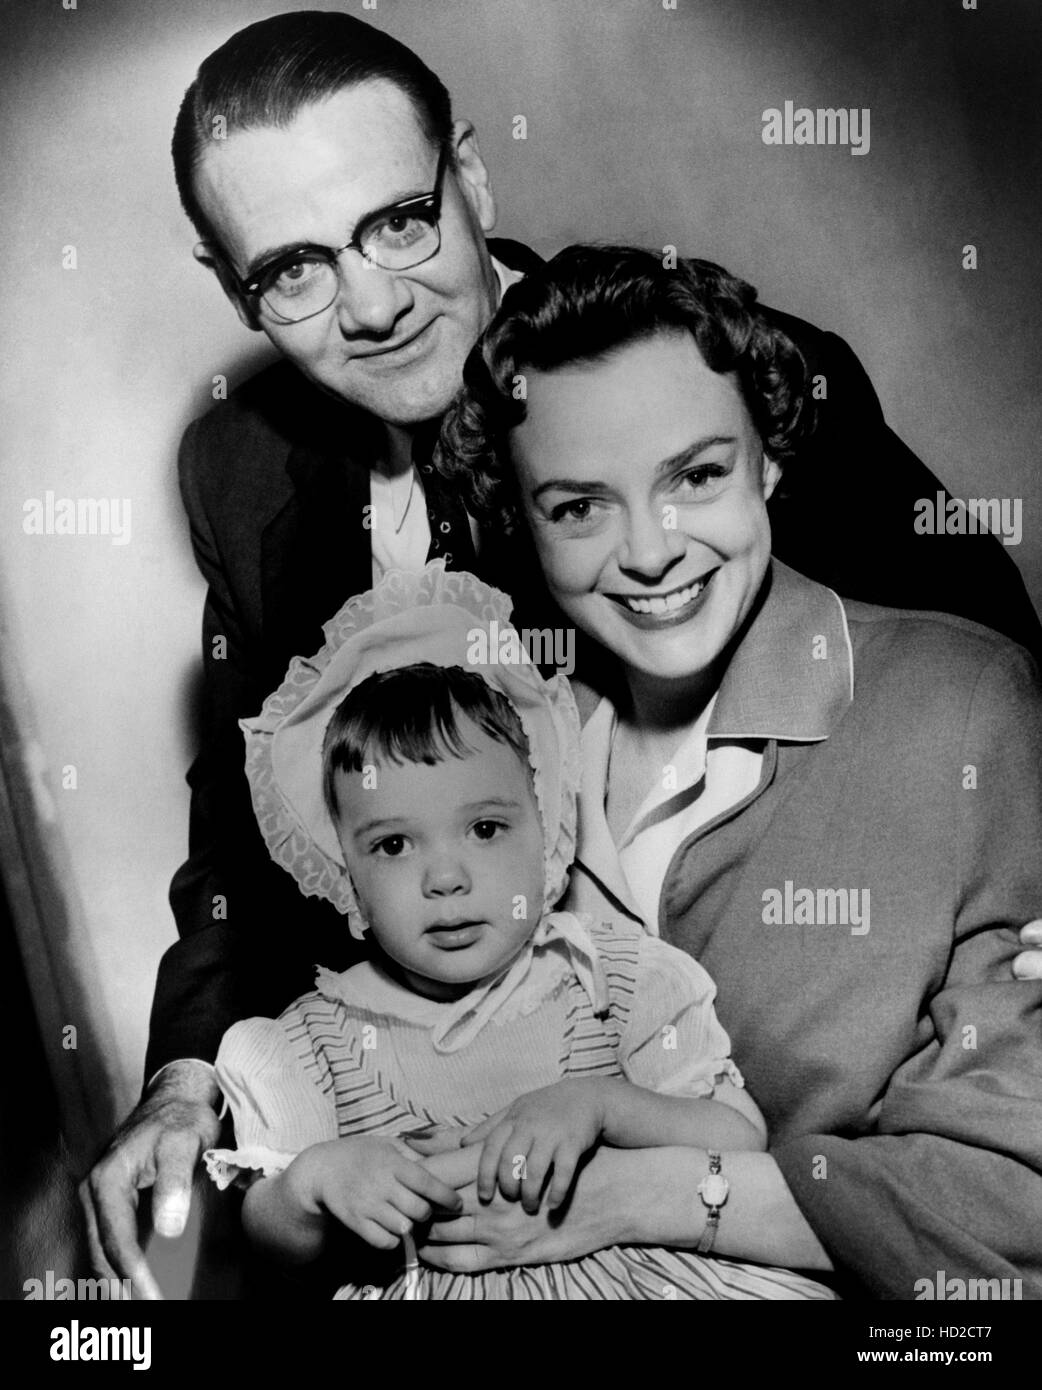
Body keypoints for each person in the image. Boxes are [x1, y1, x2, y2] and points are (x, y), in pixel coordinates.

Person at [80, 10, 1042, 1296]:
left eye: (397, 222)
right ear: (230, 284)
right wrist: (188, 1081)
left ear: (470, 179)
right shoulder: (238, 468)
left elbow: (990, 683)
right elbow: (240, 825)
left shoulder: (709, 379)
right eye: (293, 270)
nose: (368, 305)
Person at [423, 244, 1042, 1298]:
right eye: (578, 507)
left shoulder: (964, 707)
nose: (650, 551)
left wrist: (644, 1191)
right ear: (520, 525)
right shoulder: (497, 753)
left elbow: (1008, 1201)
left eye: (696, 476)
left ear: (769, 462)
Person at [201, 562, 837, 1299]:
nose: (446, 878)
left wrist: (601, 1106)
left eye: (485, 828)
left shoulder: (614, 982)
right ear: (340, 869)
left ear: (549, 830)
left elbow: (739, 1139)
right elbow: (275, 1249)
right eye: (394, 845)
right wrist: (313, 1183)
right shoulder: (312, 1048)